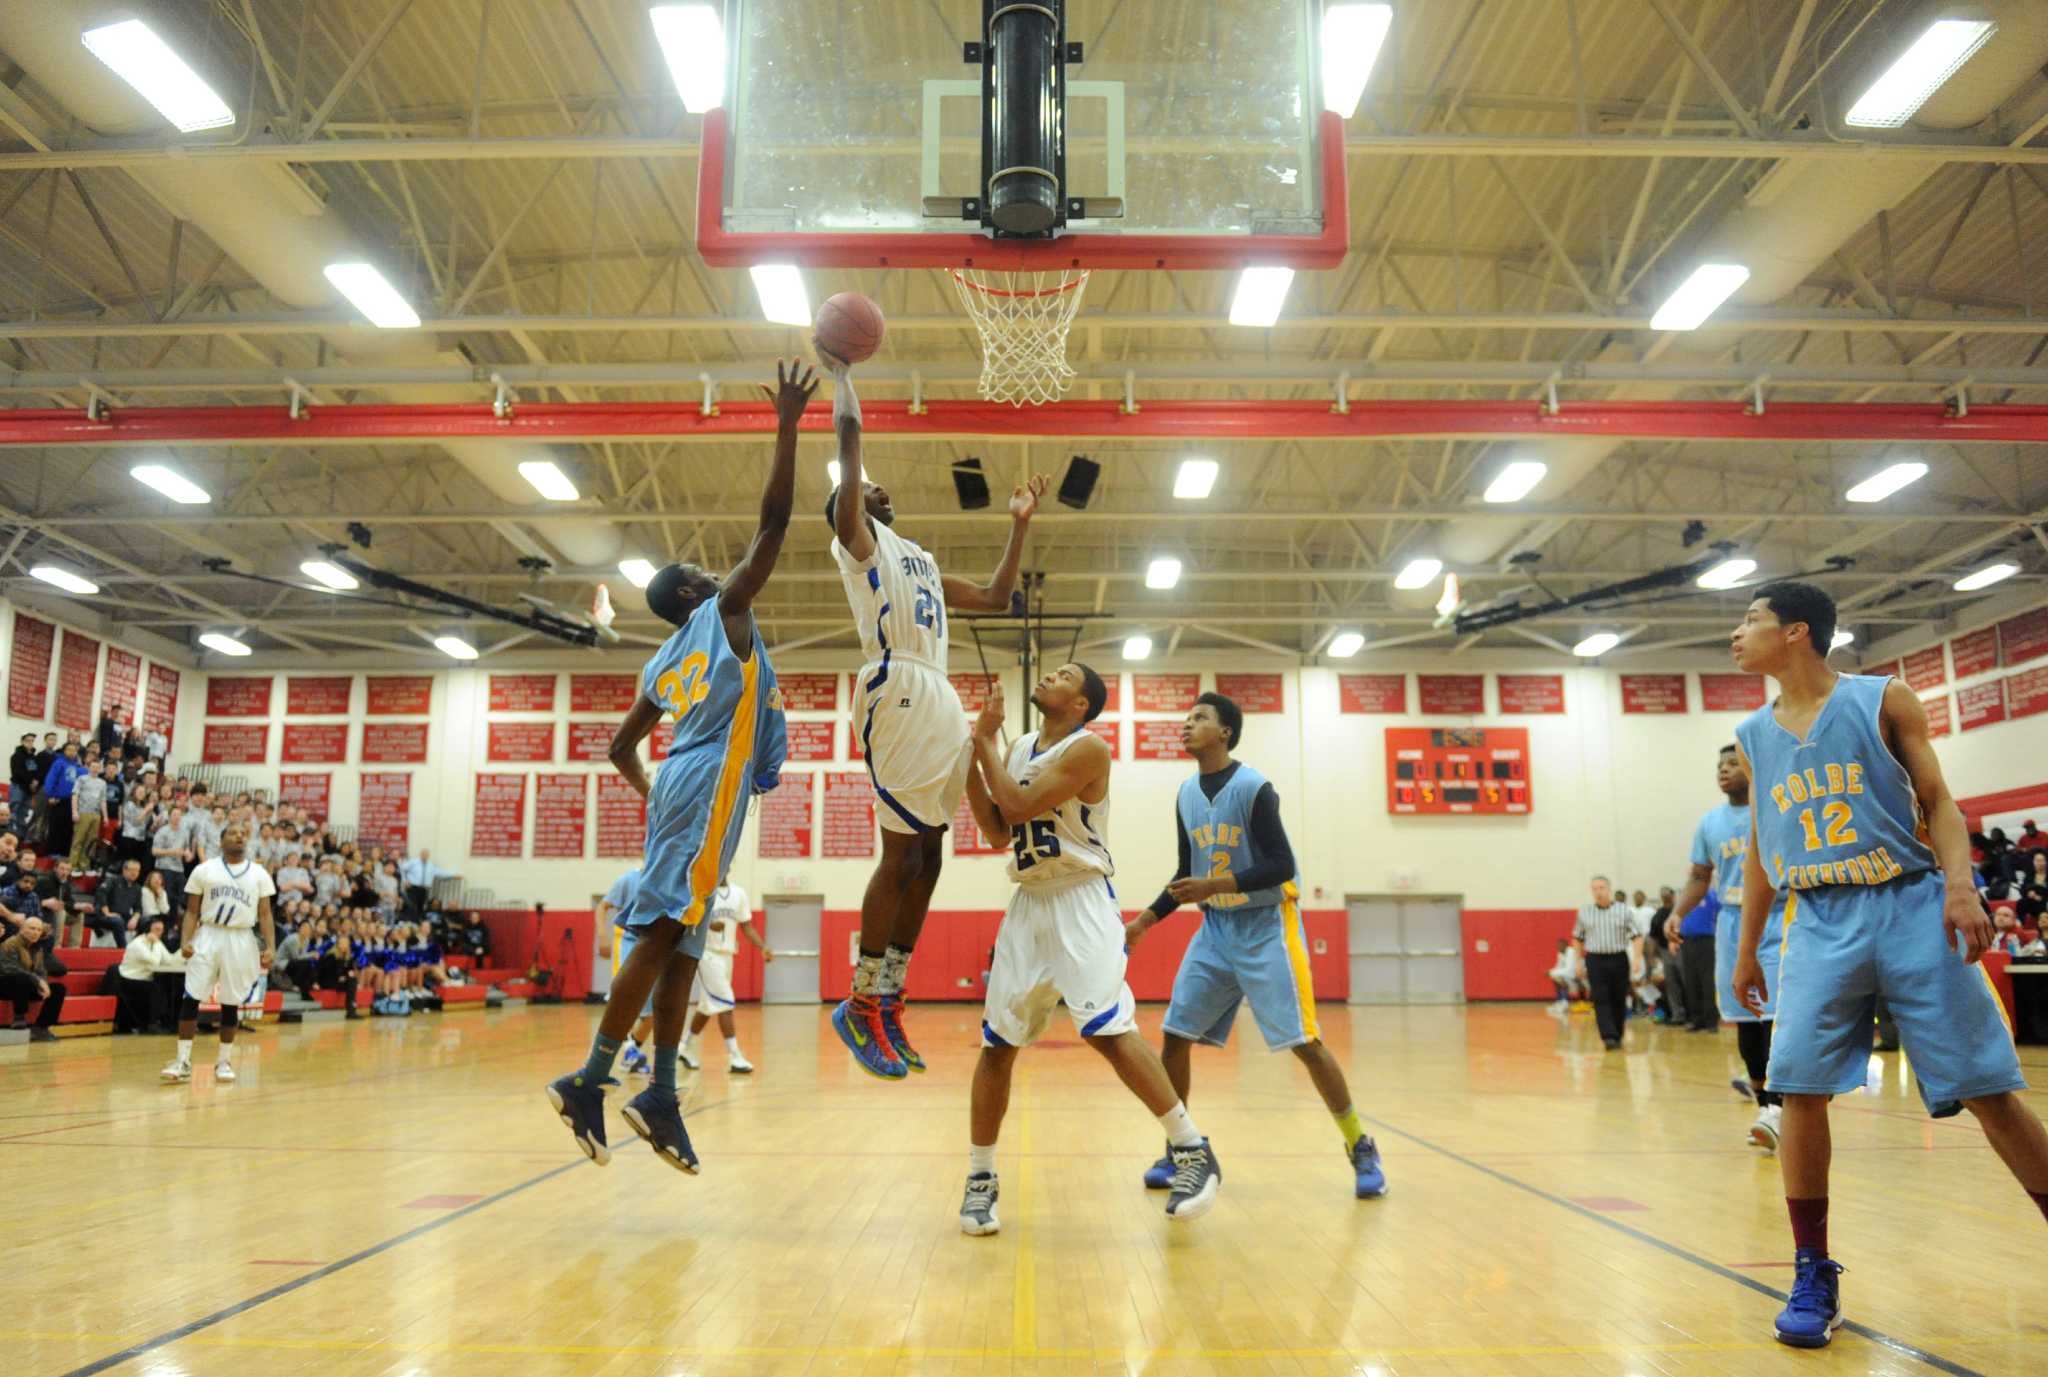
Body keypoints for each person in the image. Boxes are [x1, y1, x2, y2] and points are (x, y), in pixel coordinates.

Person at [1726, 581, 2048, 1349]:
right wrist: (1747, 948)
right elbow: (1766, 849)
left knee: (1989, 1090)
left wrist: (1963, 887)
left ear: (1797, 631)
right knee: (1798, 1089)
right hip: (1820, 918)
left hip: (1909, 901)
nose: (1735, 632)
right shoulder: (1753, 732)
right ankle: (1812, 1269)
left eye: (1750, 618)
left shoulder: (1883, 699)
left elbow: (1938, 800)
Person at [545, 360, 808, 1172]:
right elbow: (774, 522)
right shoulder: (722, 611)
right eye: (703, 573)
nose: (717, 573)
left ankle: (659, 1090)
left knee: (686, 947)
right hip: (702, 794)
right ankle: (590, 1078)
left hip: (695, 793)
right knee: (663, 936)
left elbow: (621, 746)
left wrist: (657, 792)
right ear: (697, 591)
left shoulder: (662, 660)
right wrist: (788, 424)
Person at [822, 343, 1047, 1080]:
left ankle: (889, 996)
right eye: (866, 491)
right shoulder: (860, 543)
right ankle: (858, 1002)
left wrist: (1019, 524)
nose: (879, 493)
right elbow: (851, 471)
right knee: (901, 853)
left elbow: (993, 596)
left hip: (939, 694)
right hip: (900, 688)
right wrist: (845, 386)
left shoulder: (913, 556)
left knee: (932, 852)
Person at [960, 669, 1221, 1232]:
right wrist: (969, 765)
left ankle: (1193, 1150)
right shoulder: (1023, 745)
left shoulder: (1090, 749)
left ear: (1079, 704)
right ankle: (980, 1179)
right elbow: (997, 830)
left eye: (1064, 677)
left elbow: (1022, 805)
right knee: (997, 1045)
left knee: (1106, 1029)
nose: (1050, 674)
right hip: (1029, 899)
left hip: (1081, 897)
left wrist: (981, 744)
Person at [1124, 691, 1385, 1199]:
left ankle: (1360, 1145)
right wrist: (1144, 922)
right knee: (1175, 1035)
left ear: (1224, 732)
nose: (1187, 724)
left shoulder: (1255, 787)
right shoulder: (1185, 794)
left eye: (1199, 718)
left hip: (1268, 925)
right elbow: (1186, 873)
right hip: (1216, 932)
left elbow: (1282, 865)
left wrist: (1215, 887)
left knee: (1305, 1042)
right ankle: (1181, 1148)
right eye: (1186, 717)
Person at [1665, 744, 1789, 1149]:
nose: (1723, 770)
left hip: (1779, 917)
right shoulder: (1710, 823)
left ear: (1752, 770)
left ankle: (1780, 1107)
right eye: (1719, 765)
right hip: (1733, 921)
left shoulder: (1776, 808)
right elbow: (1701, 877)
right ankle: (1766, 1106)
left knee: (1773, 1014)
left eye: (1732, 763)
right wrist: (1677, 913)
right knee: (1744, 1015)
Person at [160, 822, 277, 1084]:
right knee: (191, 995)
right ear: (220, 840)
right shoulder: (204, 870)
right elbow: (191, 911)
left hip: (241, 937)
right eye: (234, 833)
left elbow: (266, 914)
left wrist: (271, 946)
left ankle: (223, 1061)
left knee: (230, 1001)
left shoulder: (259, 874)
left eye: (243, 834)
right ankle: (182, 1060)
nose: (239, 836)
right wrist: (186, 941)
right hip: (209, 933)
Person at [680, 882, 772, 1074]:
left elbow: (746, 926)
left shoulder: (739, 893)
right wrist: (707, 924)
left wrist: (762, 947)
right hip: (706, 953)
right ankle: (735, 1056)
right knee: (726, 1002)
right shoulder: (700, 891)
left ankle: (684, 1047)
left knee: (707, 1007)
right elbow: (686, 919)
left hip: (727, 955)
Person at [594, 866, 657, 1075]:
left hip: (655, 949)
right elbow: (602, 906)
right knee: (623, 1000)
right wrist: (603, 936)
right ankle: (622, 1052)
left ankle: (631, 1054)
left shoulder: (668, 880)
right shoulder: (629, 879)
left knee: (653, 1014)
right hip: (628, 944)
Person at [1571, 876, 1642, 1050]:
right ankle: (1608, 1036)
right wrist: (1578, 962)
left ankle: (1618, 1032)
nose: (1598, 892)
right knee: (1600, 997)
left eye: (1601, 888)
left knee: (1618, 998)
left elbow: (1637, 936)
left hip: (1618, 958)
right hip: (1595, 959)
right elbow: (1577, 938)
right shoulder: (1584, 913)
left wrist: (1637, 959)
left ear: (1609, 890)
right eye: (1594, 889)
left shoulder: (1624, 911)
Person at [0, 916, 65, 1040]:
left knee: (58, 989)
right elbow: (9, 969)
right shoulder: (10, 944)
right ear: (22, 929)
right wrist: (38, 980)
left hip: (24, 987)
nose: (35, 932)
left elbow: (41, 971)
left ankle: (41, 1027)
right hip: (5, 986)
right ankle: (19, 1017)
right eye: (32, 928)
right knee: (21, 978)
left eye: (39, 930)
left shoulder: (37, 948)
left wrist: (43, 983)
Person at [113, 918, 174, 1033]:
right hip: (130, 980)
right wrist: (156, 943)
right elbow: (154, 961)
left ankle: (167, 1022)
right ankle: (152, 1023)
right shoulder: (137, 944)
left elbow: (169, 960)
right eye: (156, 929)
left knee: (166, 984)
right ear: (147, 929)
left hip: (145, 978)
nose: (159, 933)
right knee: (157, 988)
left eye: (161, 930)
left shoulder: (157, 943)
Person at [1545, 939, 1585, 1011]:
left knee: (1560, 978)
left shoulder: (1571, 952)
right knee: (1556, 978)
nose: (1558, 947)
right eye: (1557, 946)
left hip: (1583, 978)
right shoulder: (1560, 954)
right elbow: (1559, 967)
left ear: (1566, 945)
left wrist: (1551, 972)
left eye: (1560, 945)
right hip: (1573, 977)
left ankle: (1565, 1003)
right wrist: (1551, 972)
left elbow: (1570, 970)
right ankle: (1560, 1002)